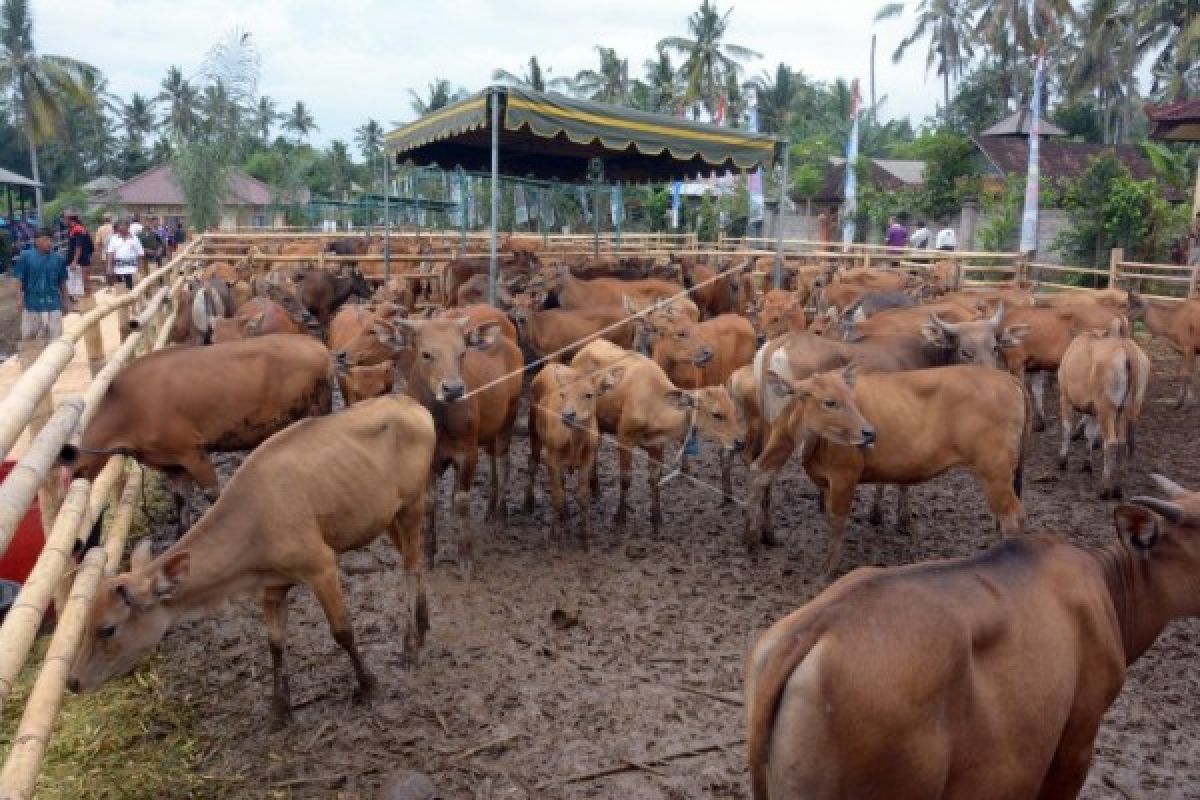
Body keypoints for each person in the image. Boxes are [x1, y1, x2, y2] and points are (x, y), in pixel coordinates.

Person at [12, 227, 69, 341]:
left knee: (55, 339)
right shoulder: (26, 257)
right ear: (37, 241)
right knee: (29, 338)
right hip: (32, 304)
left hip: (53, 304)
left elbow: (62, 282)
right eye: (46, 239)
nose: (49, 243)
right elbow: (18, 279)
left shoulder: (58, 259)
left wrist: (65, 301)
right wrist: (19, 299)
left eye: (51, 240)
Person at [63, 210, 94, 303]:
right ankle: (79, 302)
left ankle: (88, 302)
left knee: (84, 281)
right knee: (75, 283)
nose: (63, 221)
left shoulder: (78, 230)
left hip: (81, 261)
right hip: (77, 260)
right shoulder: (73, 229)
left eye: (64, 219)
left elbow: (78, 246)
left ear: (69, 219)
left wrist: (75, 261)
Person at [106, 219, 144, 289]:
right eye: (119, 228)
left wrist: (140, 269)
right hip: (118, 270)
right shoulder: (114, 239)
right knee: (120, 290)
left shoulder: (135, 239)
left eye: (123, 227)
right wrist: (109, 267)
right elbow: (110, 253)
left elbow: (140, 254)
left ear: (128, 227)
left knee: (131, 289)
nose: (121, 229)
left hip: (132, 270)